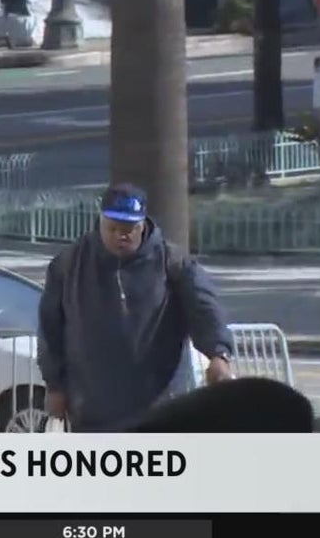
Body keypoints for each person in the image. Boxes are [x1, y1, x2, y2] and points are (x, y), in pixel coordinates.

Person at [36, 183, 234, 432]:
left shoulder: (172, 262)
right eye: (113, 228)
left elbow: (205, 308)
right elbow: (50, 329)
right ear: (100, 222)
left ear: (143, 225)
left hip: (160, 408)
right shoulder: (69, 264)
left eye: (129, 229)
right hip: (92, 412)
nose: (121, 236)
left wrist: (218, 354)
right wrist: (54, 385)